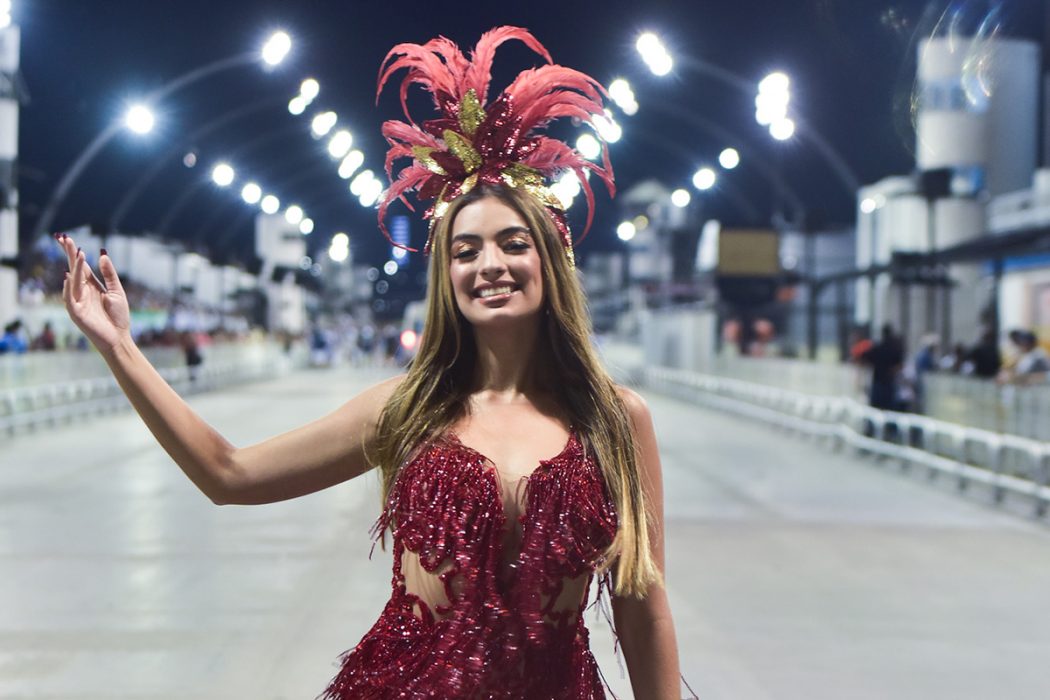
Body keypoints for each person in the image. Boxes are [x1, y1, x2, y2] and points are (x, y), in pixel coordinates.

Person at [55, 27, 688, 699]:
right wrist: (120, 347)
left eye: (512, 243)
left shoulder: (615, 420)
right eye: (465, 251)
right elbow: (229, 474)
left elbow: (642, 611)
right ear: (445, 276)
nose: (490, 265)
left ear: (549, 261)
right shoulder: (407, 409)